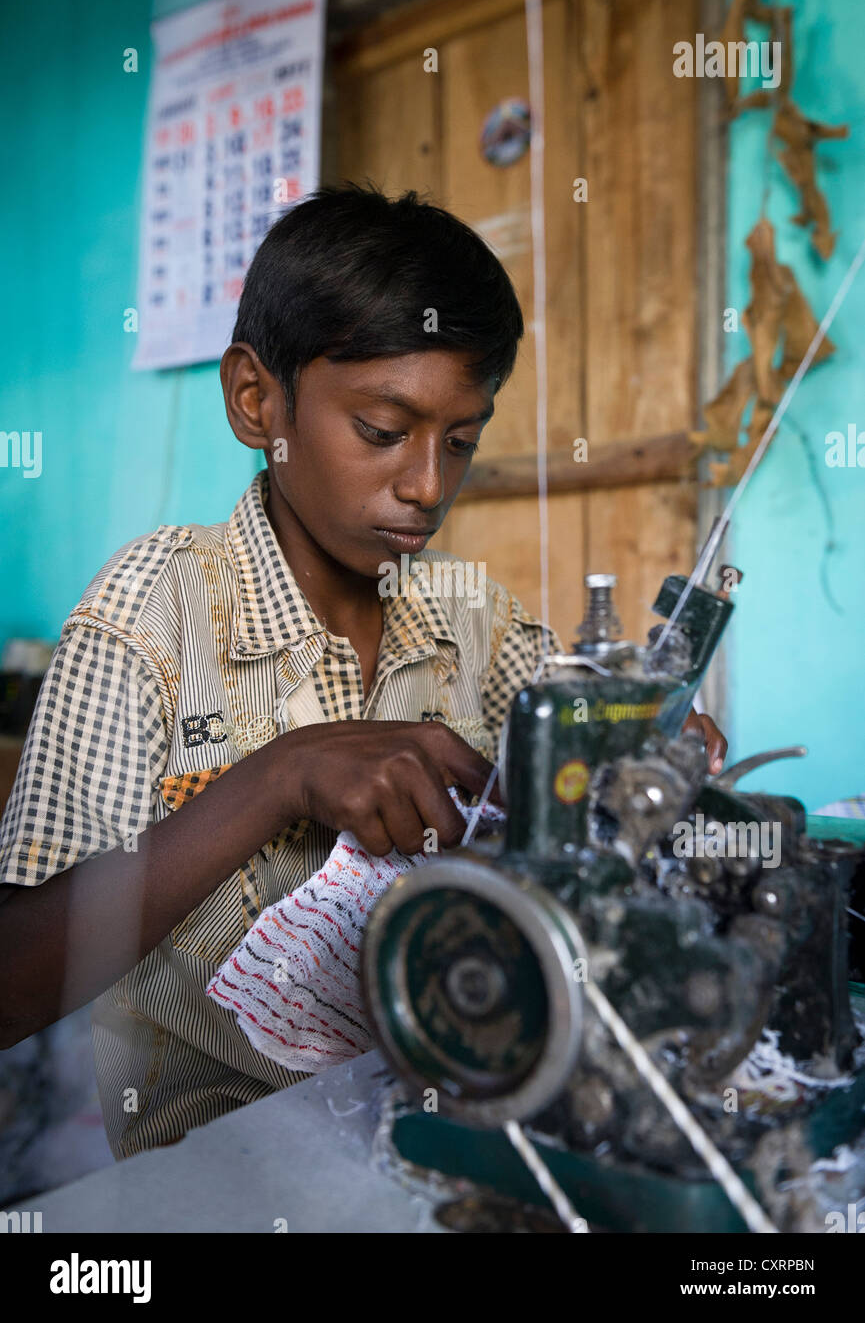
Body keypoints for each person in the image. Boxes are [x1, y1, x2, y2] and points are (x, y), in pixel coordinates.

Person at [0, 184, 727, 1158]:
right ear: (259, 400)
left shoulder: (477, 620)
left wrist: (638, 750)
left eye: (461, 439)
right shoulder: (150, 614)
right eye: (383, 431)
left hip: (448, 1135)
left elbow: (574, 770)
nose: (429, 484)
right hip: (222, 1175)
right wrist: (276, 776)